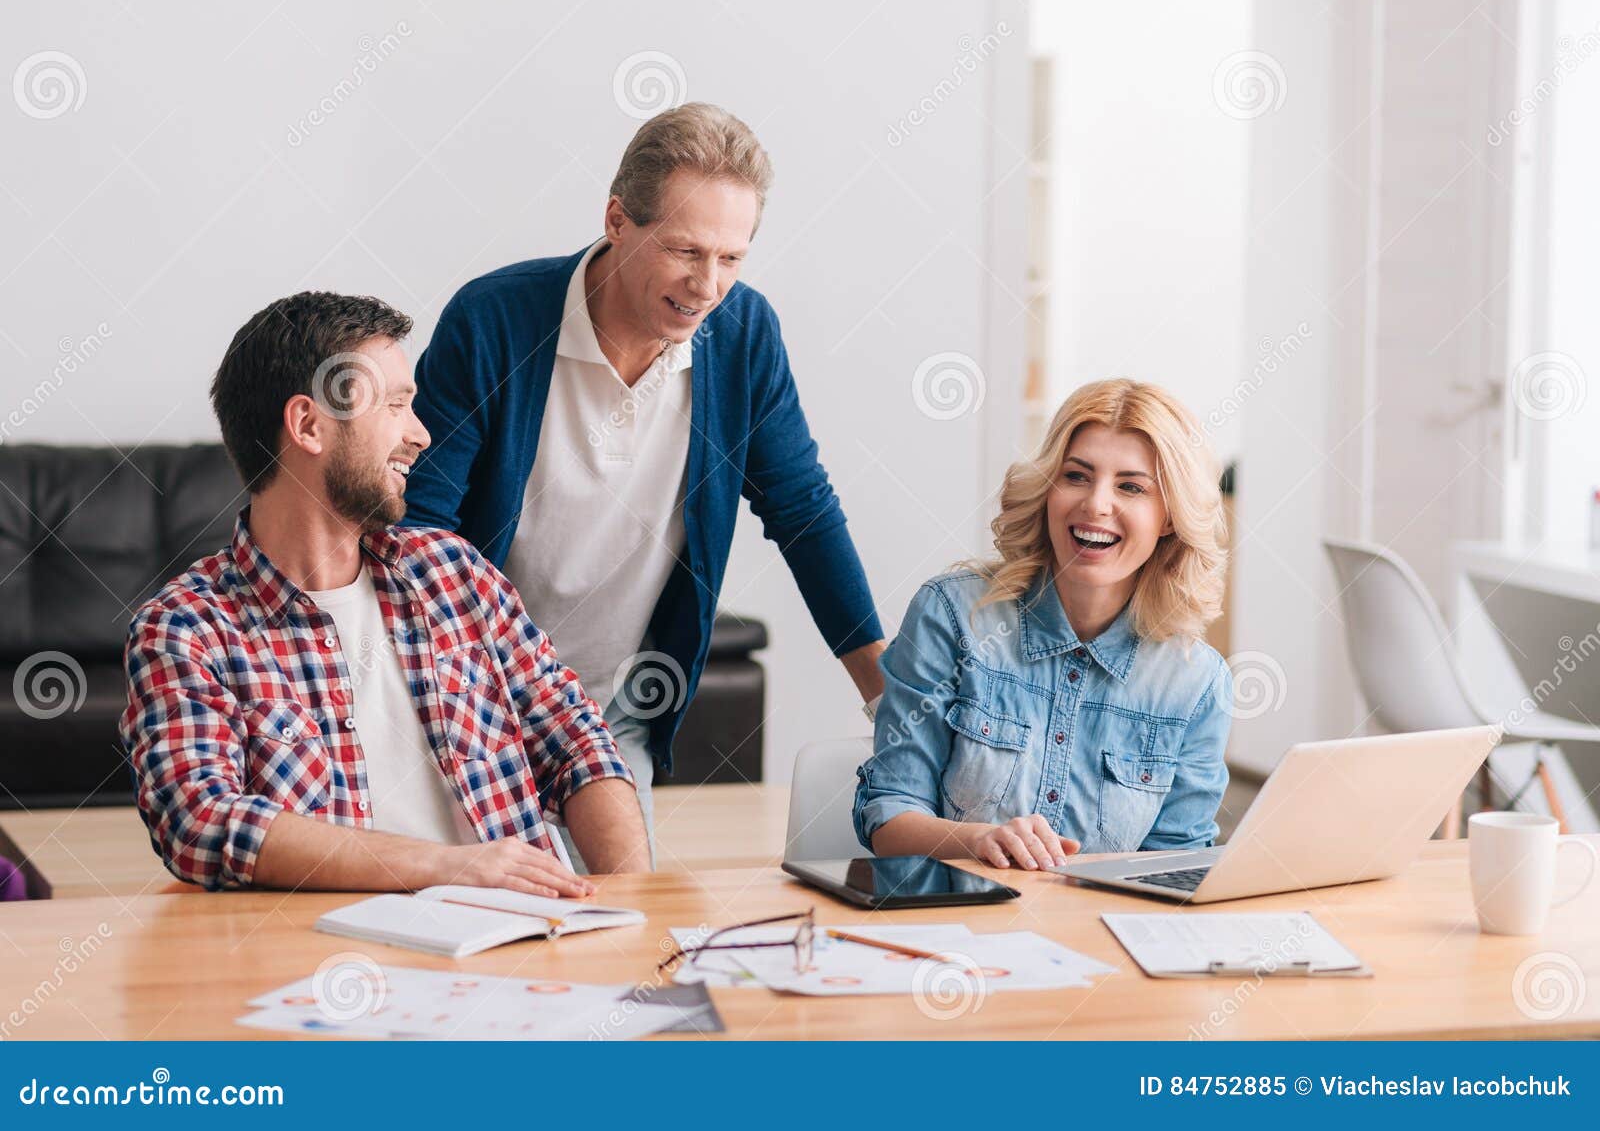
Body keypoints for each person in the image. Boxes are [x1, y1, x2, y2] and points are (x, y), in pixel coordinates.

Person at [403, 103, 884, 865]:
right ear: (619, 220)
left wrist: (882, 693)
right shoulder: (494, 319)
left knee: (622, 935)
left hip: (612, 707)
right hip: (469, 692)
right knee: (480, 926)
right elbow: (418, 530)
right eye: (686, 250)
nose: (707, 285)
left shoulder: (743, 337)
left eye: (732, 258)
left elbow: (802, 510)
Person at [121, 291, 648, 892]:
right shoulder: (185, 631)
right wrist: (450, 868)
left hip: (516, 951)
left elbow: (577, 743)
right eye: (396, 406)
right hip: (320, 964)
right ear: (309, 425)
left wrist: (634, 902)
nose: (420, 435)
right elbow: (202, 822)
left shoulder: (455, 576)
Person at [853, 379, 1233, 869]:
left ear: (1168, 519)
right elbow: (888, 814)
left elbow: (1176, 865)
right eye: (1076, 476)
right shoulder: (952, 616)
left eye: (1131, 486)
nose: (1096, 504)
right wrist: (979, 841)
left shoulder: (1197, 682)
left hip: (1096, 936)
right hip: (957, 929)